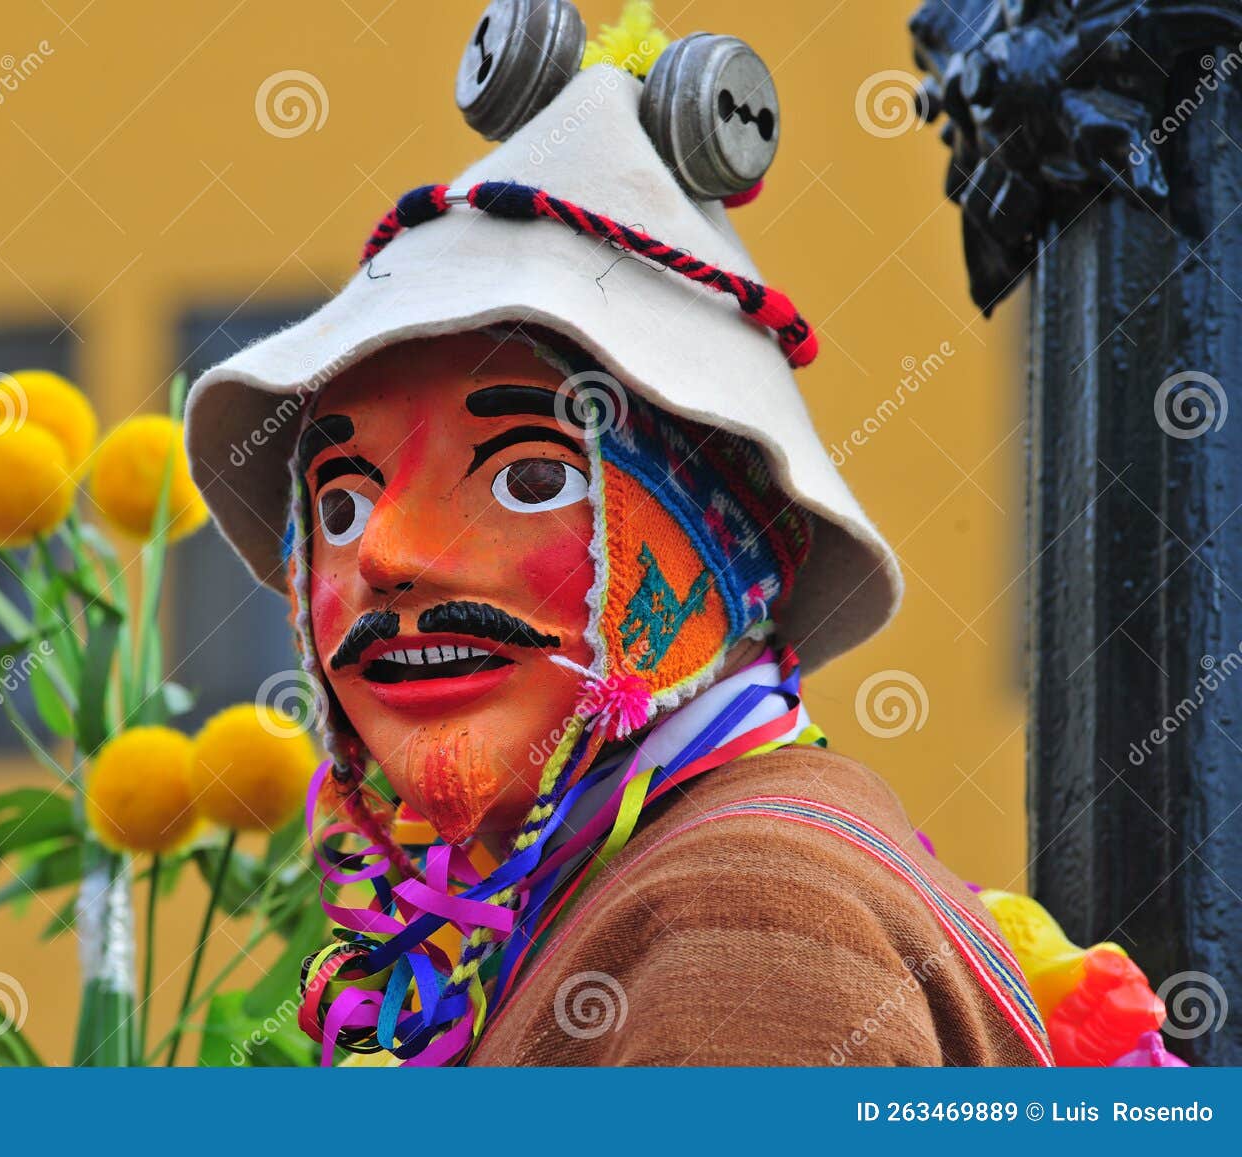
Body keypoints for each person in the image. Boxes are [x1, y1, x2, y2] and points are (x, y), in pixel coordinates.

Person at [184, 13, 1050, 1067]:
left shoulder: (740, 924)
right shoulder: (641, 897)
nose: (384, 555)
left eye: (529, 476)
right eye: (338, 504)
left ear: (735, 548)